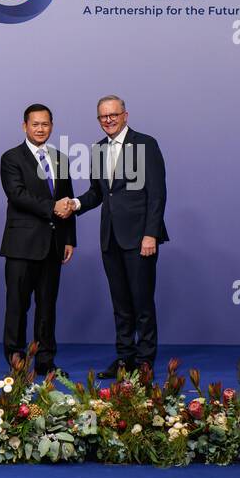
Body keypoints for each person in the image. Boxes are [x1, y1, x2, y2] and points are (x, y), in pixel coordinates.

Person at [71, 95, 168, 378]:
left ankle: (145, 360)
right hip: (110, 238)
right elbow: (98, 193)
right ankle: (125, 359)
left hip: (140, 239)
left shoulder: (145, 144)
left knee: (142, 302)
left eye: (114, 115)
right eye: (103, 117)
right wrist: (75, 204)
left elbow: (157, 194)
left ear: (125, 115)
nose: (109, 120)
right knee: (121, 304)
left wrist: (151, 234)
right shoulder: (99, 149)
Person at [0, 103, 77, 376]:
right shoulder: (11, 158)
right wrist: (51, 208)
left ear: (52, 126)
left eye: (45, 124)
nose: (41, 129)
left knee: (47, 306)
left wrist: (70, 238)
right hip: (21, 245)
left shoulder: (61, 159)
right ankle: (16, 357)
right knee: (17, 305)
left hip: (53, 244)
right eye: (35, 124)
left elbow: (68, 198)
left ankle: (45, 359)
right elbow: (17, 194)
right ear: (25, 126)